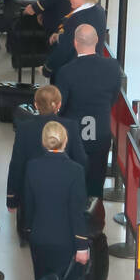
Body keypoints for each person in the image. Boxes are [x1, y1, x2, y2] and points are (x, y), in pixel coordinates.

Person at [54, 24, 123, 198]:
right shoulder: (113, 67)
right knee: (95, 185)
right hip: (100, 134)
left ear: (75, 43)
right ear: (97, 40)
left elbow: (59, 107)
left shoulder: (66, 72)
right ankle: (95, 219)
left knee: (73, 184)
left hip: (74, 138)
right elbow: (113, 98)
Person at [7, 84, 87, 230]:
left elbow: (17, 164)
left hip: (33, 191)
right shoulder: (71, 126)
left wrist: (12, 198)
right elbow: (81, 160)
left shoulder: (24, 128)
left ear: (36, 105)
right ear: (59, 105)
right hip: (64, 190)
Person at [23, 122, 90, 280]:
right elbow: (77, 212)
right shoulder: (76, 171)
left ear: (43, 141)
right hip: (66, 241)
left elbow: (28, 205)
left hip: (39, 239)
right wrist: (82, 246)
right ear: (65, 141)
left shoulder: (32, 167)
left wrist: (29, 231)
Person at [44, 0, 108, 75]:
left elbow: (64, 50)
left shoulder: (75, 20)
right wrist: (61, 37)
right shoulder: (99, 11)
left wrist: (47, 69)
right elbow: (73, 38)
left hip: (76, 73)